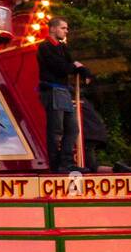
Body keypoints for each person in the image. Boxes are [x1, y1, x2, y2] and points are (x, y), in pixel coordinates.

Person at [36, 17, 92, 172]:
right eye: (63, 28)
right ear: (53, 29)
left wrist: (83, 70)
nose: (66, 31)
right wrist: (75, 67)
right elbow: (61, 67)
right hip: (52, 90)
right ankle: (55, 165)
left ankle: (66, 162)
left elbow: (72, 63)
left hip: (64, 91)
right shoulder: (45, 47)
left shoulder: (63, 47)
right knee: (56, 130)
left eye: (66, 28)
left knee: (73, 128)